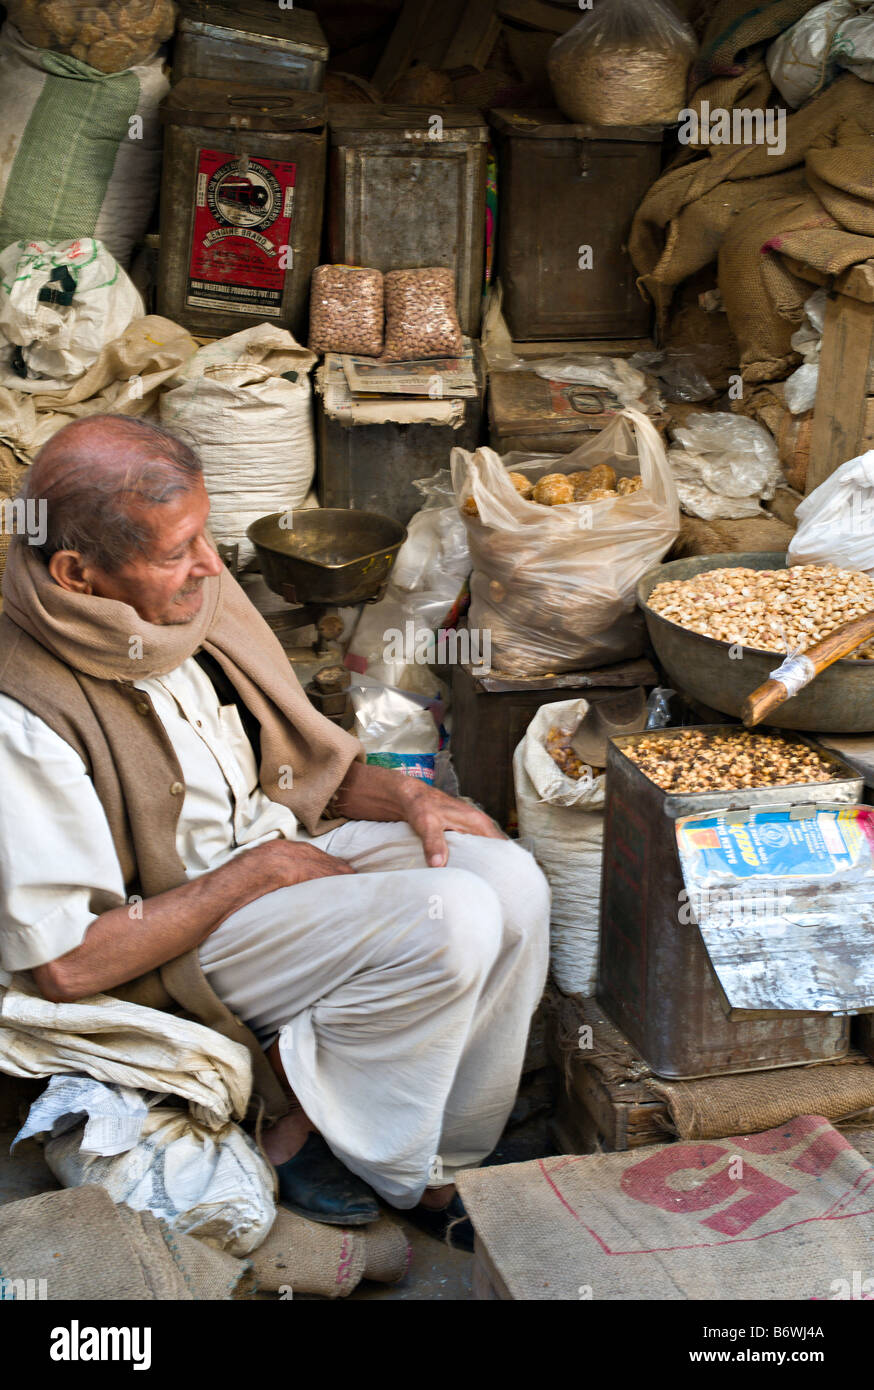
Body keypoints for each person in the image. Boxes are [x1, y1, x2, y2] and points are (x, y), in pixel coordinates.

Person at [0, 415, 549, 1247]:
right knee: (455, 919)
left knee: (508, 880)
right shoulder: (24, 711)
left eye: (205, 536)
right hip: (170, 937)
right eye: (177, 551)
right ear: (78, 574)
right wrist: (259, 876)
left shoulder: (182, 613)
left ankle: (440, 1147)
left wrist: (401, 797)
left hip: (268, 855)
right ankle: (357, 1154)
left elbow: (286, 773)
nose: (212, 566)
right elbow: (69, 967)